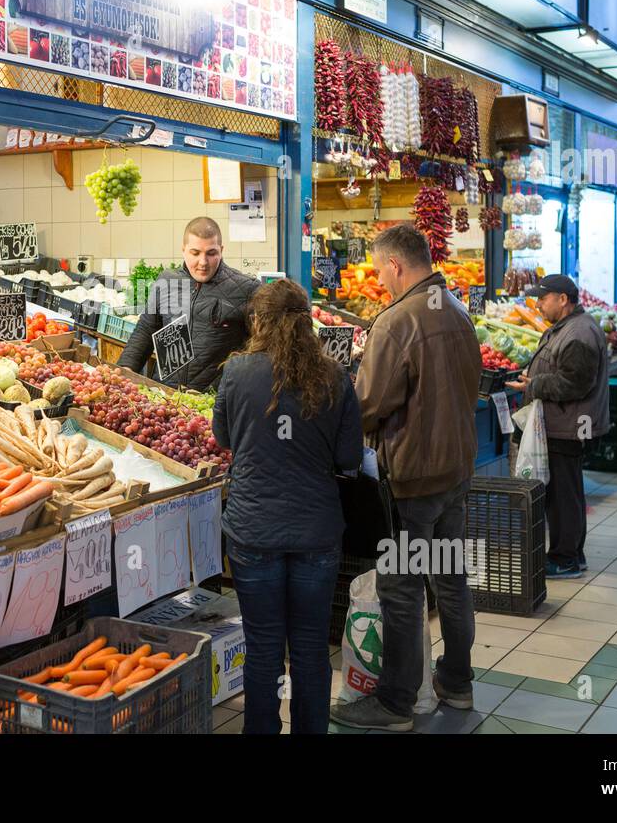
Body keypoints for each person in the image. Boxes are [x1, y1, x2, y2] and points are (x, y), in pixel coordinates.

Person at [330, 224, 480, 733]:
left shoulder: (398, 321)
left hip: (412, 480)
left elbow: (370, 405)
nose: (380, 279)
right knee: (452, 581)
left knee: (401, 588)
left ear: (394, 264)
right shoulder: (457, 310)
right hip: (456, 472)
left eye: (379, 270)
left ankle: (395, 704)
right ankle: (457, 684)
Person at [211, 279, 362, 735]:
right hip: (316, 533)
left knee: (263, 647)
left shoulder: (237, 371)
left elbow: (222, 438)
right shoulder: (335, 376)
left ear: (258, 321)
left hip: (253, 532)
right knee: (312, 647)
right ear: (307, 321)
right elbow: (349, 458)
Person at [506, 275, 610, 580]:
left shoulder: (579, 333)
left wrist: (534, 383)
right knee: (568, 491)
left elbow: (575, 383)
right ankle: (573, 554)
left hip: (569, 424)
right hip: (564, 422)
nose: (538, 305)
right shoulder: (569, 328)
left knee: (563, 494)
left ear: (563, 299)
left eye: (543, 298)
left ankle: (565, 558)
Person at [118, 217, 259, 391]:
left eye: (211, 253)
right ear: (183, 250)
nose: (203, 262)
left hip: (211, 400)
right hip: (163, 393)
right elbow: (146, 329)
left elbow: (257, 347)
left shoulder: (246, 289)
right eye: (195, 253)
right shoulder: (167, 281)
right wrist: (126, 367)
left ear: (221, 251)